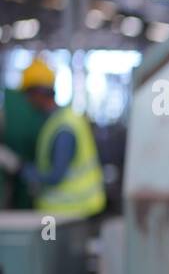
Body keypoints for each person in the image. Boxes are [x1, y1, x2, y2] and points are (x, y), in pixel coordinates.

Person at [0, 57, 105, 217]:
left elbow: (55, 176)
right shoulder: (55, 122)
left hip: (71, 212)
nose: (27, 102)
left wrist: (19, 167)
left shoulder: (64, 128)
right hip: (66, 212)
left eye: (28, 96)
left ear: (38, 94)